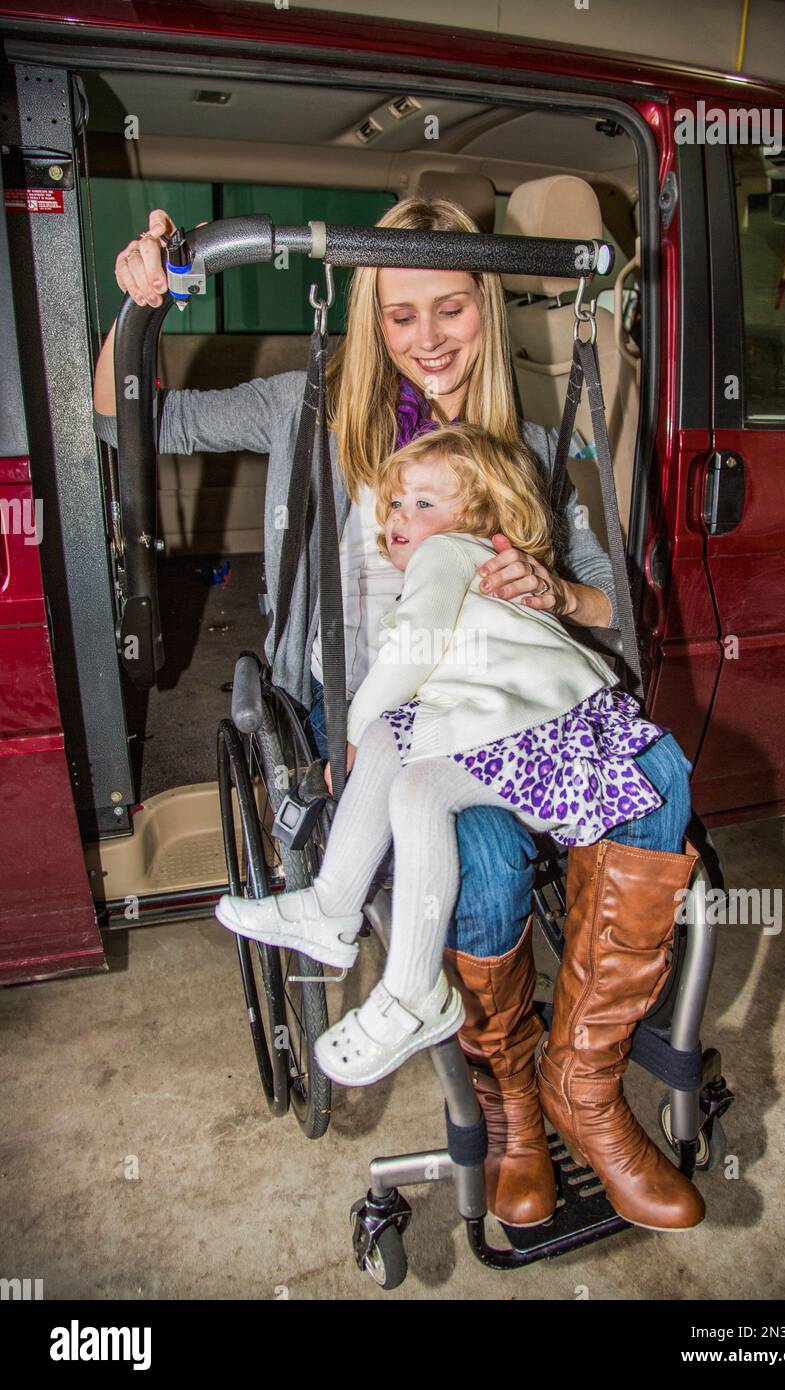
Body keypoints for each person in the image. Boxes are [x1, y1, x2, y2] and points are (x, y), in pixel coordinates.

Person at [92, 195, 698, 1233]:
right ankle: (509, 1094)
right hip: (376, 712)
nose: (427, 338)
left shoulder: (530, 443)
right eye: (400, 312)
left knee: (655, 774)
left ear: (486, 309)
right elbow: (126, 417)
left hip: (499, 706)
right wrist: (140, 302)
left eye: (451, 308)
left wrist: (556, 593)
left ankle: (579, 1083)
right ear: (370, 317)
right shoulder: (304, 409)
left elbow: (613, 609)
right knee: (492, 860)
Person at [213, 425, 704, 1234]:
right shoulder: (447, 554)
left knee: (397, 758)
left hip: (533, 735)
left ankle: (558, 1074)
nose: (395, 516)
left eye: (420, 503)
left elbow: (410, 652)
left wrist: (364, 723)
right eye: (394, 503)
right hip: (512, 734)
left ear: (478, 513)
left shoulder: (449, 558)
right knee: (416, 793)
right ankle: (406, 985)